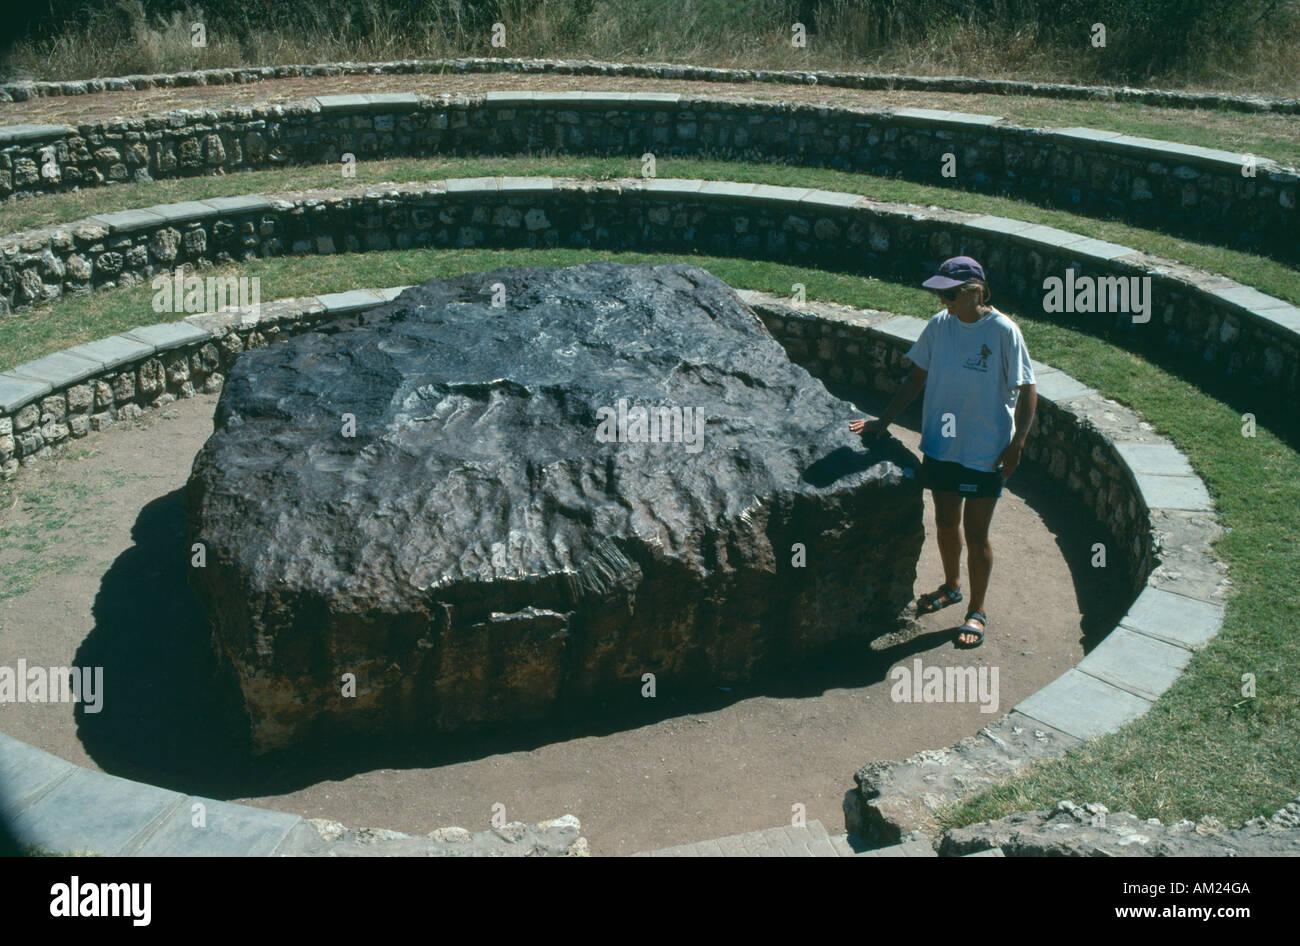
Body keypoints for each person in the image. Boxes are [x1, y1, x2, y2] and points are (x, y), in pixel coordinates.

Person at [850, 257, 1037, 648]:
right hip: (943, 444)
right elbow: (916, 377)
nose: (943, 302)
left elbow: (1027, 389)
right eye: (940, 294)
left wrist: (1017, 444)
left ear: (976, 291)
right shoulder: (939, 327)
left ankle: (977, 610)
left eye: (950, 294)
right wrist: (883, 420)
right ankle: (952, 586)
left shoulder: (1004, 331)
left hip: (986, 450)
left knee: (976, 532)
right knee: (946, 523)